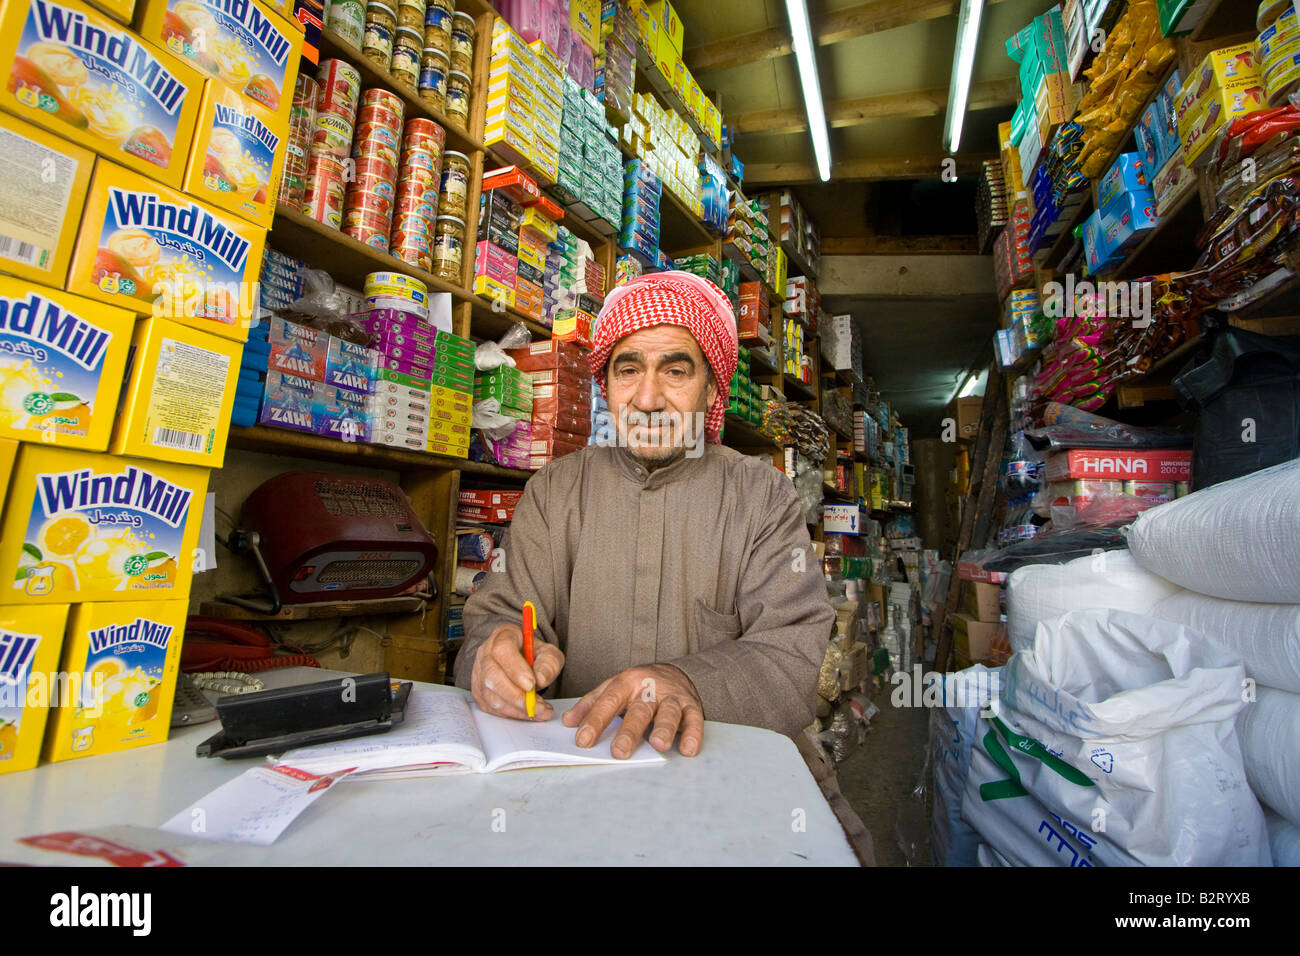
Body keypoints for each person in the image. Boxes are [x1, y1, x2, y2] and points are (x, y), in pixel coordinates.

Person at [455, 271, 874, 863]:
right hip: (574, 769)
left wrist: (686, 682)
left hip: (728, 781)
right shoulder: (555, 490)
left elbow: (790, 654)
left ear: (710, 388)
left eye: (675, 370)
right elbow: (496, 616)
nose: (648, 399)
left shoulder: (762, 497)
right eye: (628, 370)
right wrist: (493, 655)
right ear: (606, 385)